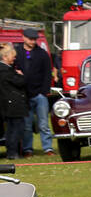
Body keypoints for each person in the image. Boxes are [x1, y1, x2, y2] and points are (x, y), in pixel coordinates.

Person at [15, 28, 52, 156]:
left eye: (35, 39)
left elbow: (48, 74)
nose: (33, 41)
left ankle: (48, 148)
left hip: (39, 94)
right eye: (31, 39)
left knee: (43, 124)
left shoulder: (42, 54)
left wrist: (43, 92)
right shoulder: (17, 53)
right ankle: (27, 149)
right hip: (24, 95)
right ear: (23, 38)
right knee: (26, 125)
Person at [0, 44, 28, 159]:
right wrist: (20, 75)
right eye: (13, 56)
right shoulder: (5, 71)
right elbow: (19, 82)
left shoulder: (6, 70)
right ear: (5, 57)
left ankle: (12, 151)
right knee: (15, 130)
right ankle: (12, 152)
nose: (14, 58)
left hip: (8, 104)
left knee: (12, 129)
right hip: (12, 105)